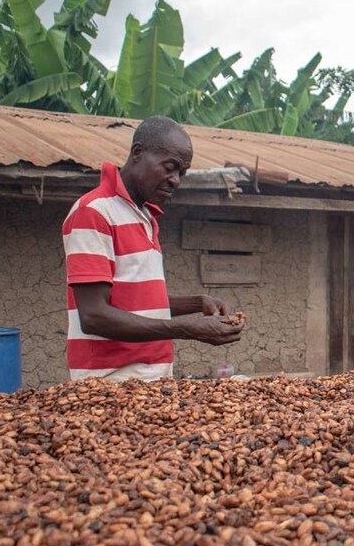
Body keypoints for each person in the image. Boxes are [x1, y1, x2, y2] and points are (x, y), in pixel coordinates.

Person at [62, 116, 244, 381]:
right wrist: (189, 329)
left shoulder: (145, 217)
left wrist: (196, 303)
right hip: (109, 382)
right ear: (138, 152)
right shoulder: (95, 212)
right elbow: (94, 315)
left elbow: (136, 304)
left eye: (181, 173)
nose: (176, 181)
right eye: (170, 168)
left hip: (152, 378)